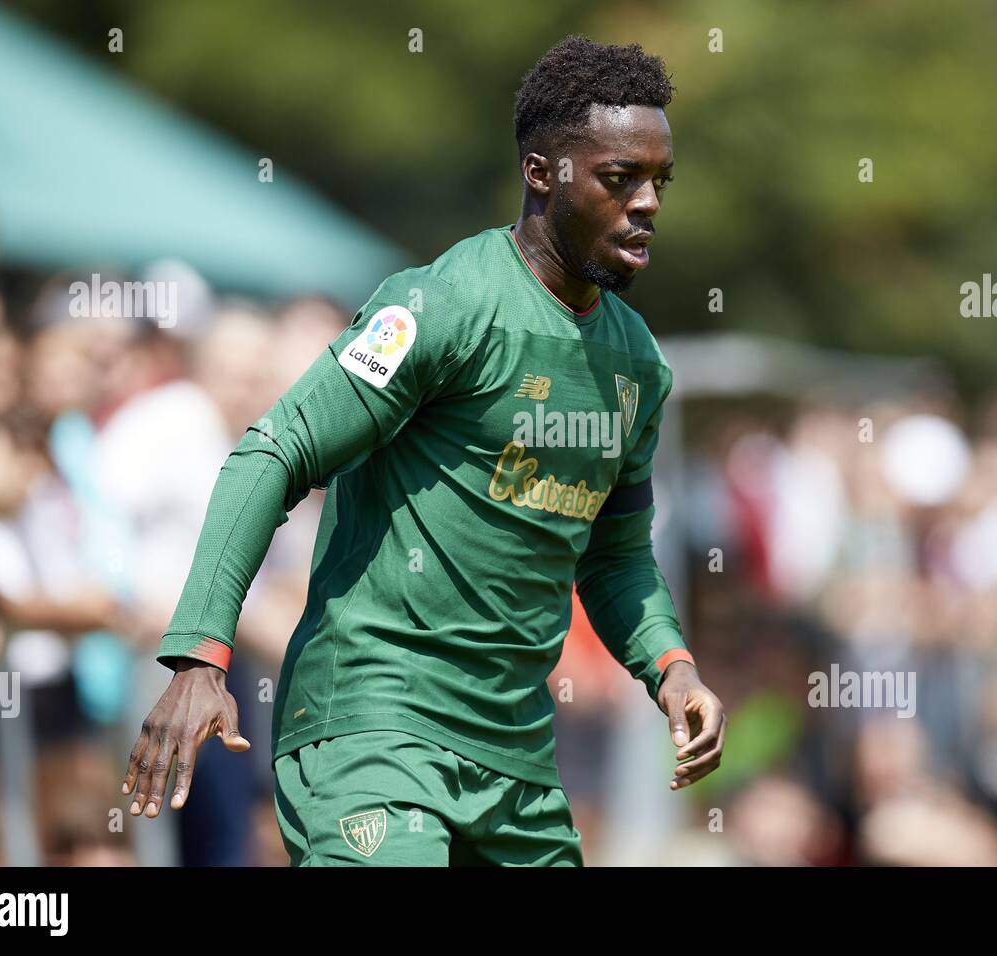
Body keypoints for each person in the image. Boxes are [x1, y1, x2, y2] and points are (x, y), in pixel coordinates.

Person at [123, 35, 726, 866]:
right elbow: (273, 452)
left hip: (516, 764)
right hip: (375, 732)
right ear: (542, 172)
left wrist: (672, 667)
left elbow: (616, 556)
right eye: (621, 178)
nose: (649, 202)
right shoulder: (438, 308)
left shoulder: (638, 366)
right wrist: (200, 657)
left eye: (660, 181)